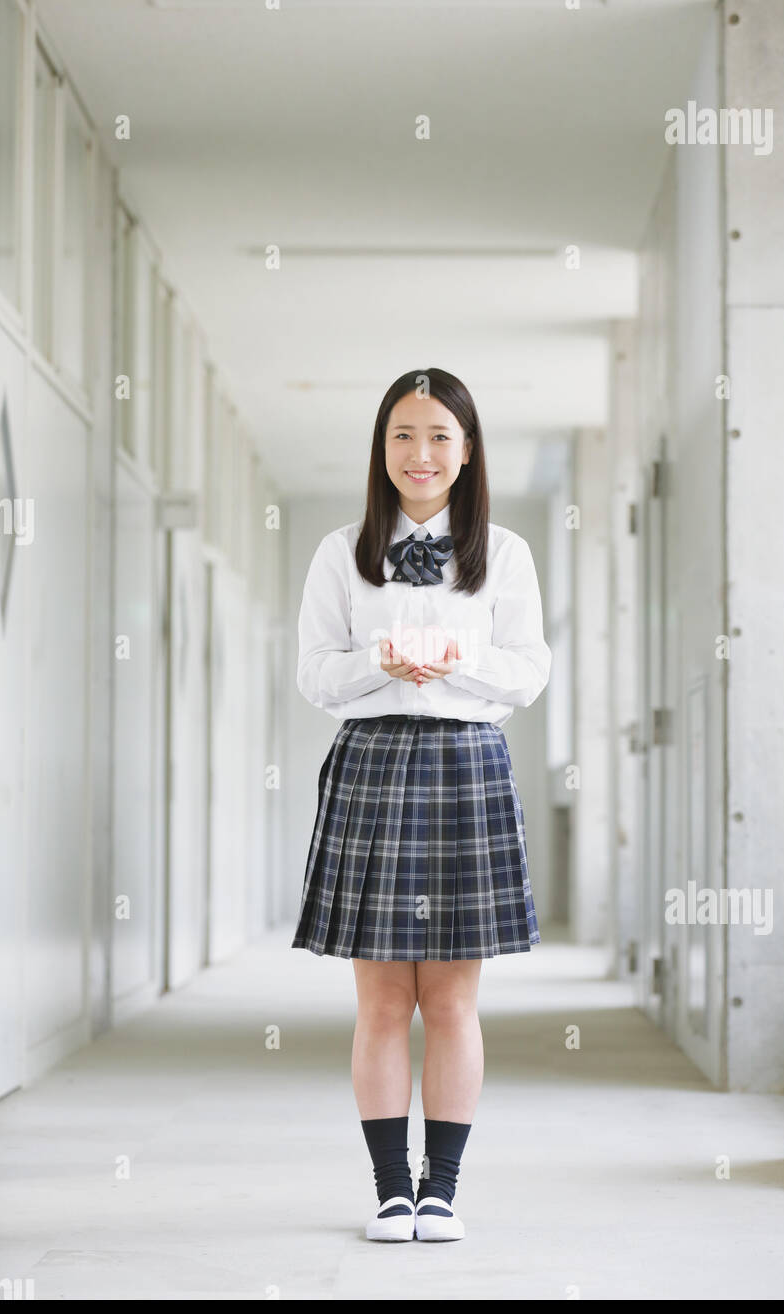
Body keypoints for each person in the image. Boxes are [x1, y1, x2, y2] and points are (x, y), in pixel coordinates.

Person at [292, 366, 551, 1242]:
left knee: (449, 1003)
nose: (421, 453)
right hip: (372, 763)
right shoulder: (342, 551)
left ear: (468, 451)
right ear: (382, 449)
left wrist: (453, 663)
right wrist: (381, 665)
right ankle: (388, 1192)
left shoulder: (505, 554)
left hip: (466, 767)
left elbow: (529, 670)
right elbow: (314, 674)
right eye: (404, 435)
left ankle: (441, 1190)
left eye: (440, 435)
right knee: (380, 1005)